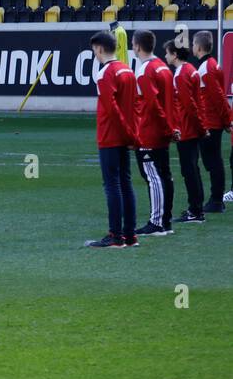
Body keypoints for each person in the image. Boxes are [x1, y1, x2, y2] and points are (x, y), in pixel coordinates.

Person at [86, 30, 138, 248]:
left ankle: (115, 236)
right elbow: (134, 107)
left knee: (112, 185)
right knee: (125, 184)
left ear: (99, 49)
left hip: (110, 136)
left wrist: (126, 132)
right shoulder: (128, 70)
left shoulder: (105, 74)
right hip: (125, 136)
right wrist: (133, 134)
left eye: (94, 51)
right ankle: (130, 235)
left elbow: (112, 108)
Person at [131, 30, 175, 236]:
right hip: (162, 131)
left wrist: (166, 127)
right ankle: (165, 221)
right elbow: (169, 102)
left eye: (133, 44)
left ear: (138, 46)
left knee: (153, 177)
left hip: (149, 132)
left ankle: (156, 222)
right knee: (165, 175)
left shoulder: (145, 71)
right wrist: (171, 127)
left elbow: (152, 104)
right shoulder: (163, 68)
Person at [165, 39, 206, 224]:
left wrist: (198, 127)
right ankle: (196, 208)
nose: (166, 56)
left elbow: (188, 105)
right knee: (193, 169)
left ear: (174, 54)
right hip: (191, 128)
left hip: (187, 129)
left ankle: (196, 211)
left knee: (189, 170)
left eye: (167, 52)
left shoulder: (181, 74)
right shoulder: (191, 70)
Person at [192, 30, 231, 213]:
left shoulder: (206, 68)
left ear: (199, 47)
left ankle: (216, 200)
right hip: (212, 122)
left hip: (210, 123)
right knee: (213, 161)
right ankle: (216, 199)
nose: (192, 47)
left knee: (213, 162)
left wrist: (227, 120)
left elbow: (218, 98)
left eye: (193, 44)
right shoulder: (211, 65)